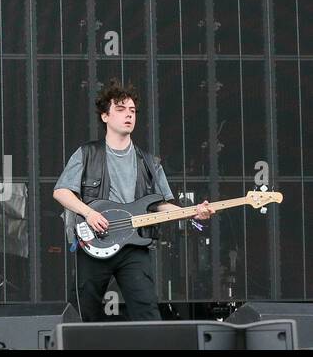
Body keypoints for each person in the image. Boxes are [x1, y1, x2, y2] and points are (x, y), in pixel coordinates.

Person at [52, 79, 213, 321]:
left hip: (134, 246)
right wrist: (89, 213)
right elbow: (61, 191)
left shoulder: (148, 161)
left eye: (132, 111)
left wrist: (192, 212)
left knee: (147, 310)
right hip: (95, 241)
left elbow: (161, 205)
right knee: (82, 314)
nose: (128, 115)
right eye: (120, 109)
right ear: (105, 116)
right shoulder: (87, 153)